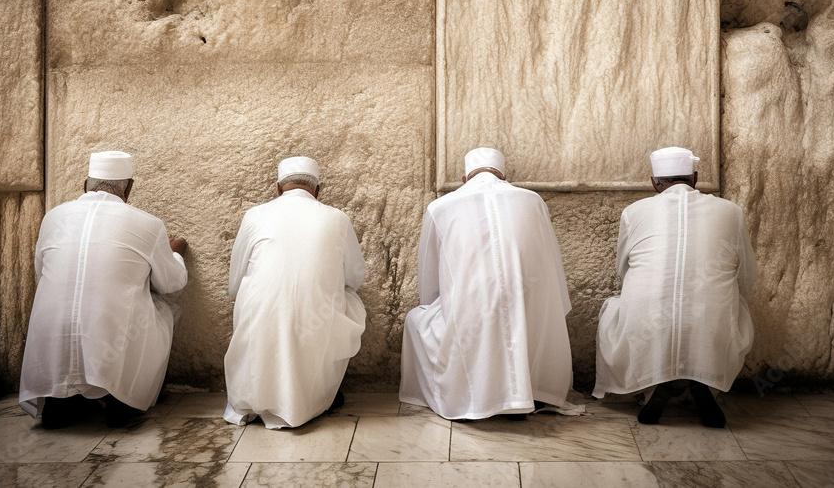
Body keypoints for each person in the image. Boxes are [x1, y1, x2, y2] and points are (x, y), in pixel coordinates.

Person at [400, 147, 575, 420]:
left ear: (464, 178)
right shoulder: (533, 201)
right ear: (503, 174)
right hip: (530, 311)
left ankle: (479, 395)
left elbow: (430, 279)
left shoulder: (440, 207)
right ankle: (528, 391)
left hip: (470, 316)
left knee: (417, 319)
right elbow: (551, 264)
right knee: (524, 315)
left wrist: (439, 305)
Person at [20, 151, 188, 428]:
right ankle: (123, 398)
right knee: (162, 310)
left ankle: (62, 400)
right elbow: (171, 283)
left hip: (51, 337)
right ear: (129, 188)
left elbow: (41, 273)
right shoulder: (148, 223)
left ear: (85, 184)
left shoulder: (53, 217)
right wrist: (176, 253)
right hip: (111, 337)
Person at [594, 147, 757, 428]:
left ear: (654, 182)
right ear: (695, 177)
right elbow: (747, 272)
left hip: (649, 326)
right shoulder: (731, 211)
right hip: (709, 326)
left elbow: (623, 269)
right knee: (733, 305)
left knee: (615, 307)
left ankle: (653, 389)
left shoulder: (634, 212)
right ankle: (704, 384)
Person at [224, 156, 366, 429]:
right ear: (318, 190)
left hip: (261, 315)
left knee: (255, 298)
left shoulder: (254, 215)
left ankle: (257, 392)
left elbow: (235, 281)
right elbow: (355, 276)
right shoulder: (337, 217)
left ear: (278, 188)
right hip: (315, 317)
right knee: (349, 299)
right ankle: (318, 391)